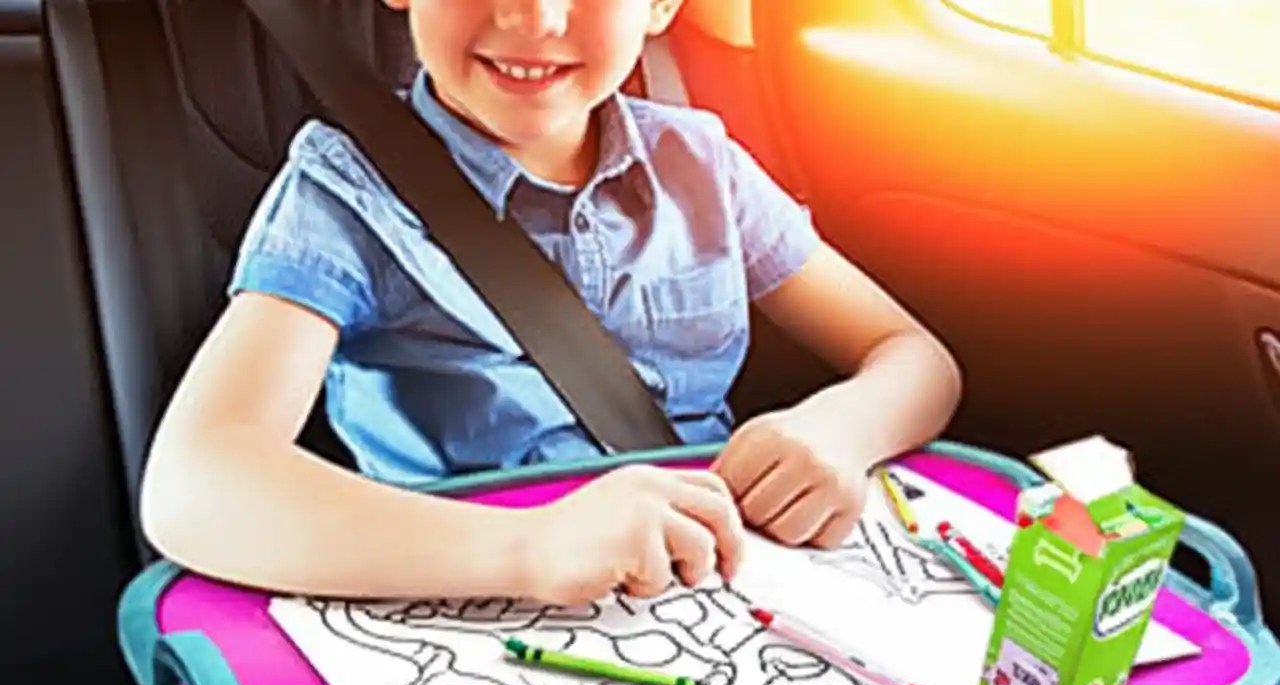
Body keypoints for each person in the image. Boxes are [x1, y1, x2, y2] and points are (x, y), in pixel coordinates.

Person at [139, 0, 961, 607]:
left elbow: (914, 357)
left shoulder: (704, 168)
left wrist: (843, 429)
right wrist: (528, 548)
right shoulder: (348, 195)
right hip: (465, 603)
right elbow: (194, 483)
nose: (534, 17)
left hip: (713, 586)